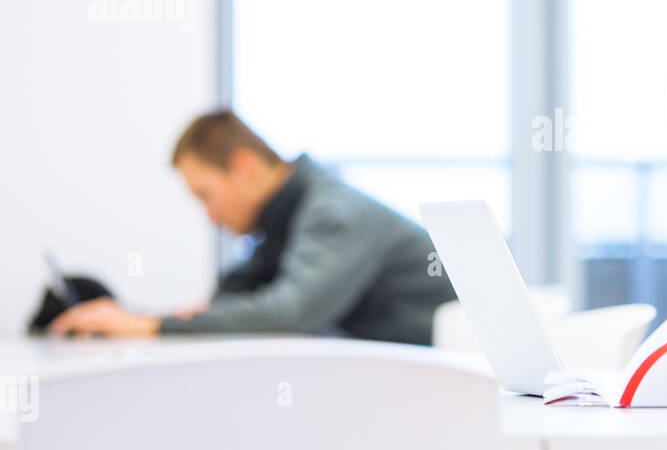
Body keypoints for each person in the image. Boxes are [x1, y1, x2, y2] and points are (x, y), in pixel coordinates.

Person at [47, 110, 456, 345]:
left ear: (244, 169)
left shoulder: (334, 214)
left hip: (463, 387)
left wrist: (151, 326)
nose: (209, 216)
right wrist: (160, 319)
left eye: (206, 195)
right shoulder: (286, 218)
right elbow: (237, 291)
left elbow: (289, 312)